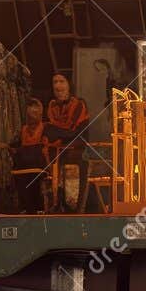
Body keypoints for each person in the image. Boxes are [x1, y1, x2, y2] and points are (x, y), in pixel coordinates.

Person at [44, 72, 91, 209]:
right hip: (58, 149)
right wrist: (59, 134)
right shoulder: (51, 107)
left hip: (76, 148)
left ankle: (73, 206)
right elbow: (48, 131)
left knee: (71, 160)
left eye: (61, 81)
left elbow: (74, 132)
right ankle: (55, 202)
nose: (58, 85)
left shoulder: (79, 105)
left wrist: (58, 134)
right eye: (55, 82)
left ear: (69, 84)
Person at [8, 98, 48, 213]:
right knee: (21, 177)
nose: (32, 117)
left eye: (35, 113)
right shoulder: (23, 131)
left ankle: (37, 208)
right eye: (30, 114)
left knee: (35, 179)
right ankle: (26, 208)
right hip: (23, 167)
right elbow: (12, 145)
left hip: (39, 167)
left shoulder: (45, 128)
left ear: (40, 114)